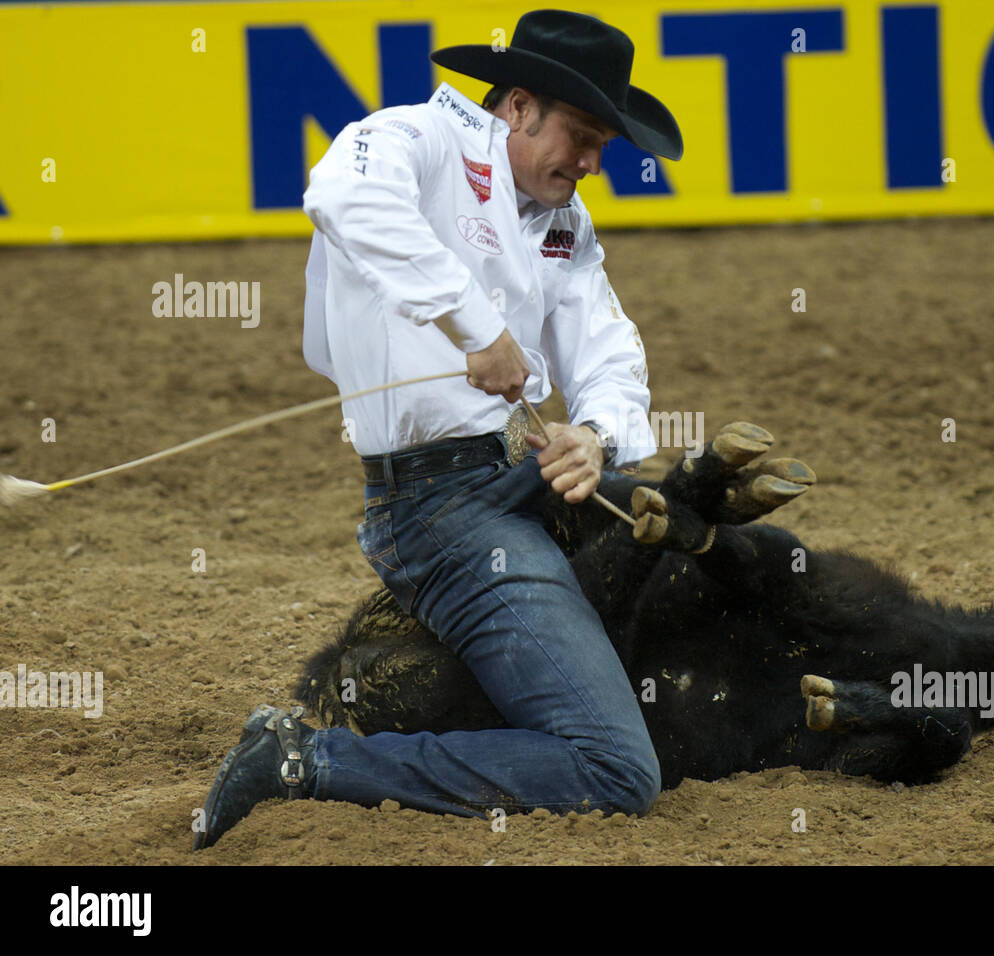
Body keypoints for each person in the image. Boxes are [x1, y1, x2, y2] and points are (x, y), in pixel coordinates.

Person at [193, 9, 684, 849]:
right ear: (519, 107)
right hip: (440, 511)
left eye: (604, 143)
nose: (596, 162)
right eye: (583, 135)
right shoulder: (411, 138)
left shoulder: (565, 225)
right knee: (617, 770)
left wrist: (596, 433)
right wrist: (476, 326)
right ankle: (308, 761)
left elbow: (607, 346)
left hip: (508, 477)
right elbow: (339, 194)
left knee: (680, 522)